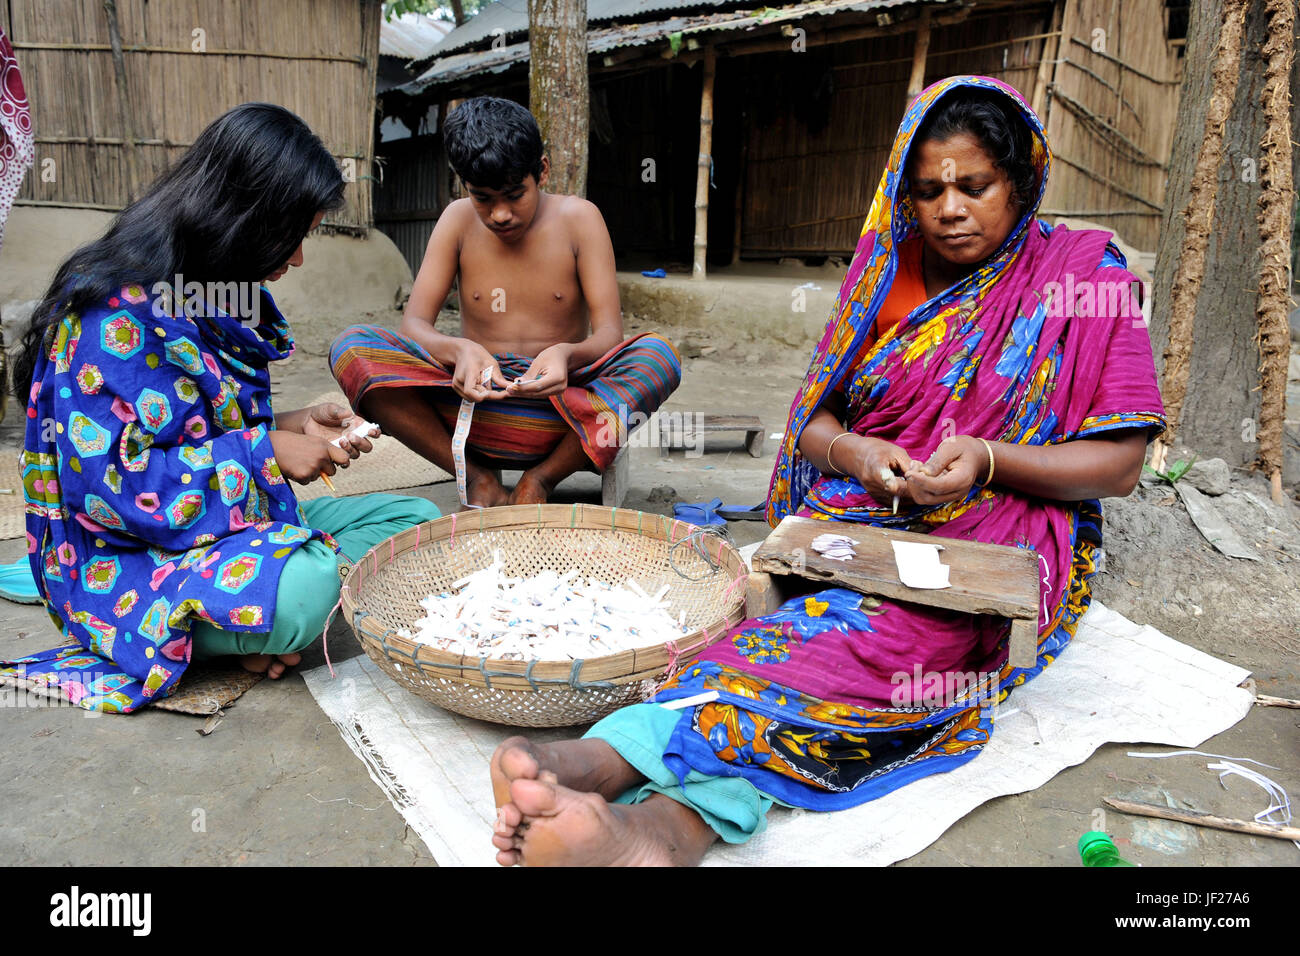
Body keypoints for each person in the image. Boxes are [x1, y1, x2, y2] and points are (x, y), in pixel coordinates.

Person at [486, 76, 1167, 865]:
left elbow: (1117, 466)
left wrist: (987, 458)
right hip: (861, 513)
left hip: (999, 526)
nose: (950, 209)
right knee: (758, 627)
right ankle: (630, 788)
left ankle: (633, 789)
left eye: (975, 187)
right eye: (928, 192)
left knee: (866, 645)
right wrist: (860, 454)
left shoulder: (1084, 275)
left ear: (1022, 181)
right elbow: (813, 424)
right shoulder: (889, 269)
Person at [1, 103, 441, 713]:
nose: (298, 259)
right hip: (128, 564)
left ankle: (255, 612)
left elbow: (205, 424)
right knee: (308, 587)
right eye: (296, 235)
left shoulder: (209, 293)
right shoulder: (110, 320)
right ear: (245, 219)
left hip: (233, 527)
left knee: (417, 522)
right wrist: (265, 454)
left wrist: (289, 425)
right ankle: (245, 614)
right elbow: (111, 489)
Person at [329, 97, 681, 507]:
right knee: (351, 347)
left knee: (658, 356)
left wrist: (566, 355)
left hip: (562, 414)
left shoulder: (580, 219)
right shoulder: (456, 221)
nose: (499, 214)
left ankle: (542, 479)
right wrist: (459, 350)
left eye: (514, 195)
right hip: (476, 410)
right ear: (465, 187)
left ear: (542, 171)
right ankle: (477, 478)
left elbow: (609, 335)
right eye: (483, 198)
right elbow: (415, 327)